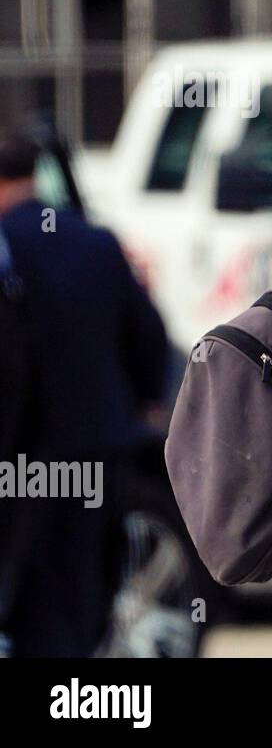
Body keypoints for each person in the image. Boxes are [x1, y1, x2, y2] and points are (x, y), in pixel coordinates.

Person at [0, 124, 170, 657]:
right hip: (100, 454)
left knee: (29, 606)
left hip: (23, 463)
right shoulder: (94, 241)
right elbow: (148, 340)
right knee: (83, 600)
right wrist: (139, 403)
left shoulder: (8, 250)